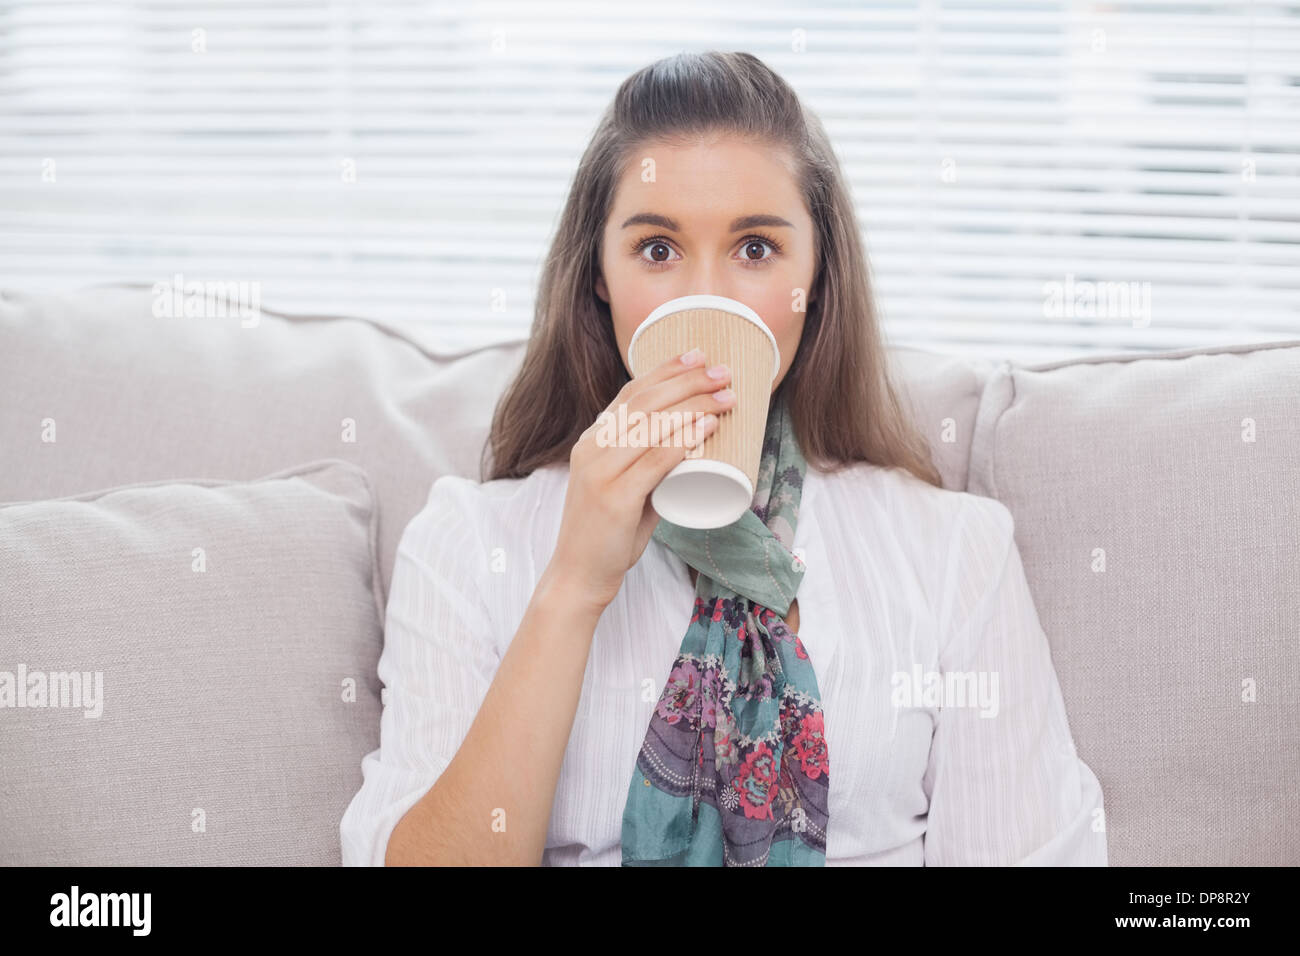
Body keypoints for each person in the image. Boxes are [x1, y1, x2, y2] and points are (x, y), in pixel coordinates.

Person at [340, 51, 1108, 866]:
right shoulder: (468, 543)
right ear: (599, 275)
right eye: (659, 250)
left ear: (818, 276)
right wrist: (573, 586)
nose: (705, 300)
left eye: (754, 250)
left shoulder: (952, 552)